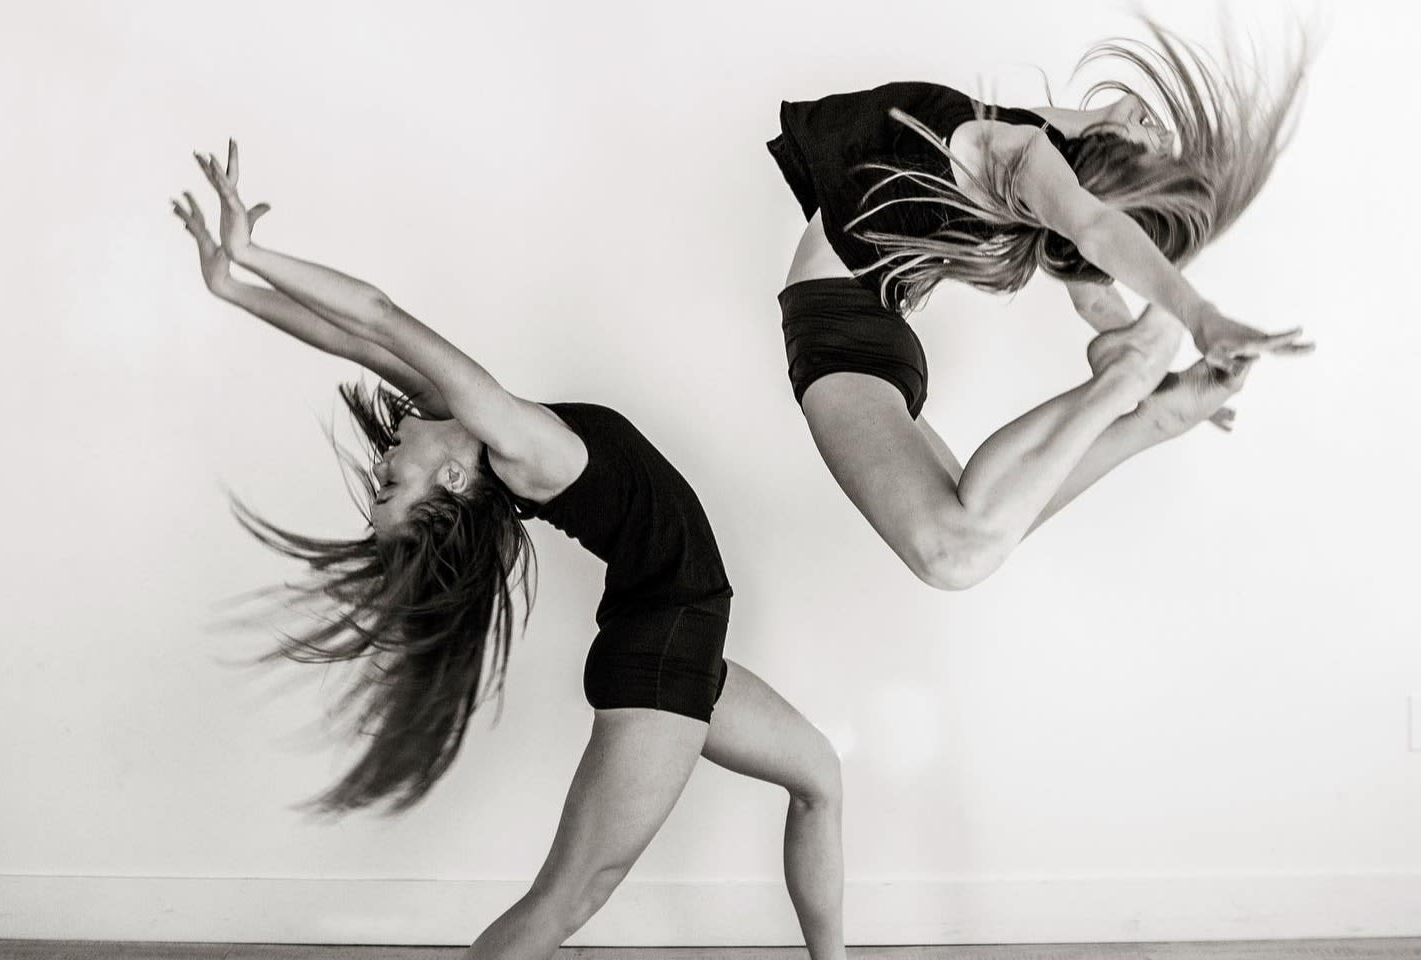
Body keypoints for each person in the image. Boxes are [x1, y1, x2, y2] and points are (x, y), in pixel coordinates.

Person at [174, 141, 846, 960]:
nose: (381, 467)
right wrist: (252, 252)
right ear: (453, 481)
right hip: (664, 652)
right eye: (392, 489)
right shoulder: (520, 444)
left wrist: (232, 286)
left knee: (818, 777)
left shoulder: (474, 430)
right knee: (565, 902)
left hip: (676, 641)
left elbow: (358, 341)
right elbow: (377, 313)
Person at [768, 18, 1311, 589]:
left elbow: (1097, 289)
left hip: (843, 331)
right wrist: (1195, 320)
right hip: (858, 332)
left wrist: (1169, 355)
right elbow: (1094, 231)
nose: (1161, 136)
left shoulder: (1027, 158)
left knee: (961, 547)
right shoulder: (1017, 151)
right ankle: (1147, 417)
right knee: (969, 540)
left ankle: (1136, 389)